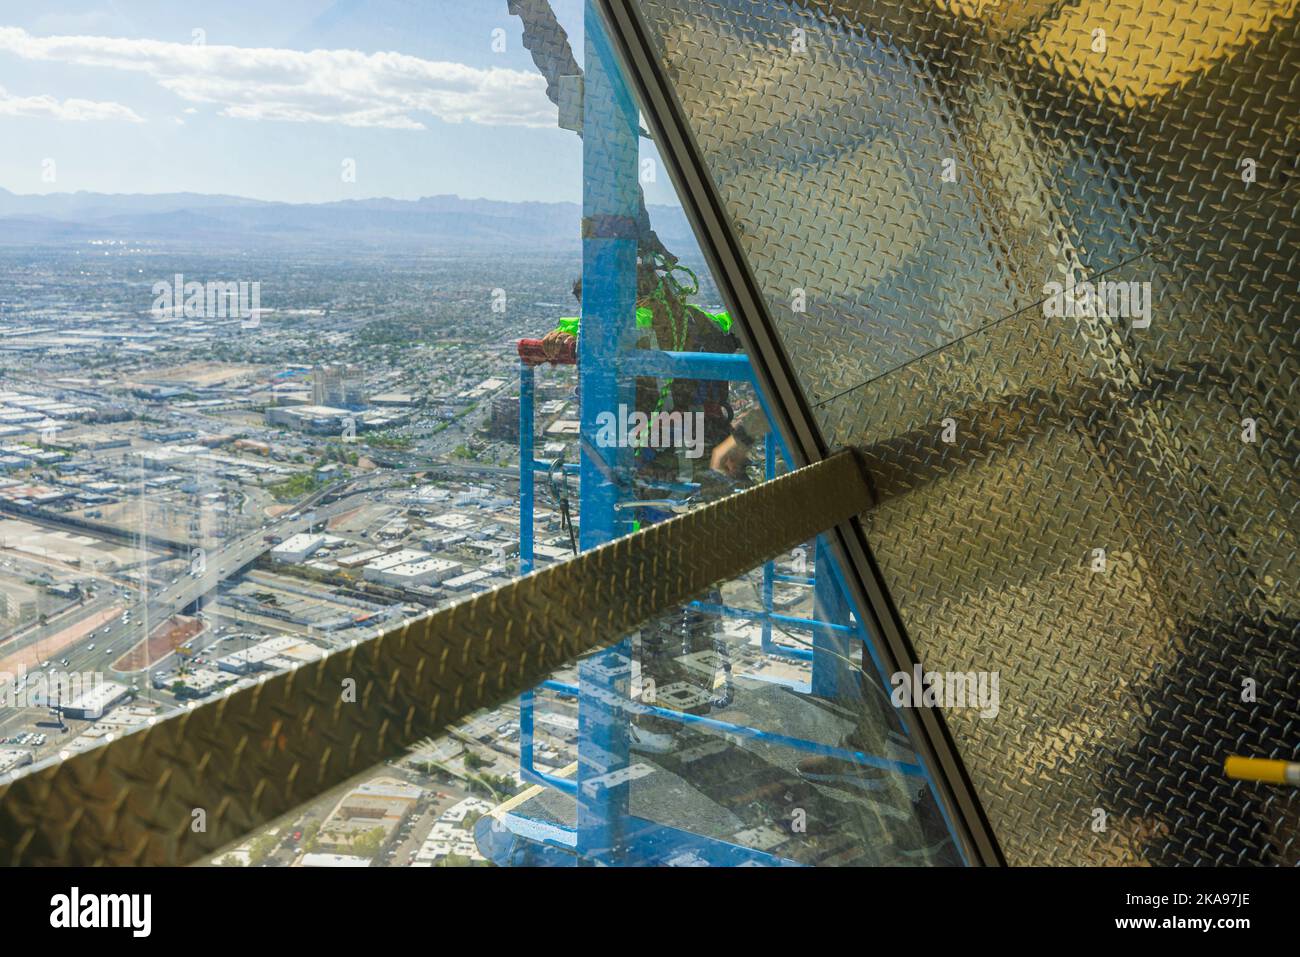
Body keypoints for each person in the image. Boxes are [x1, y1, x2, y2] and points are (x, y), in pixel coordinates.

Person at [538, 251, 765, 752]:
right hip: (701, 478)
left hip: (665, 484)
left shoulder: (636, 333)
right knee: (696, 591)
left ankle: (664, 722)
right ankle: (695, 699)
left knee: (658, 599)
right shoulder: (698, 324)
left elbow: (617, 342)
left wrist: (575, 341)